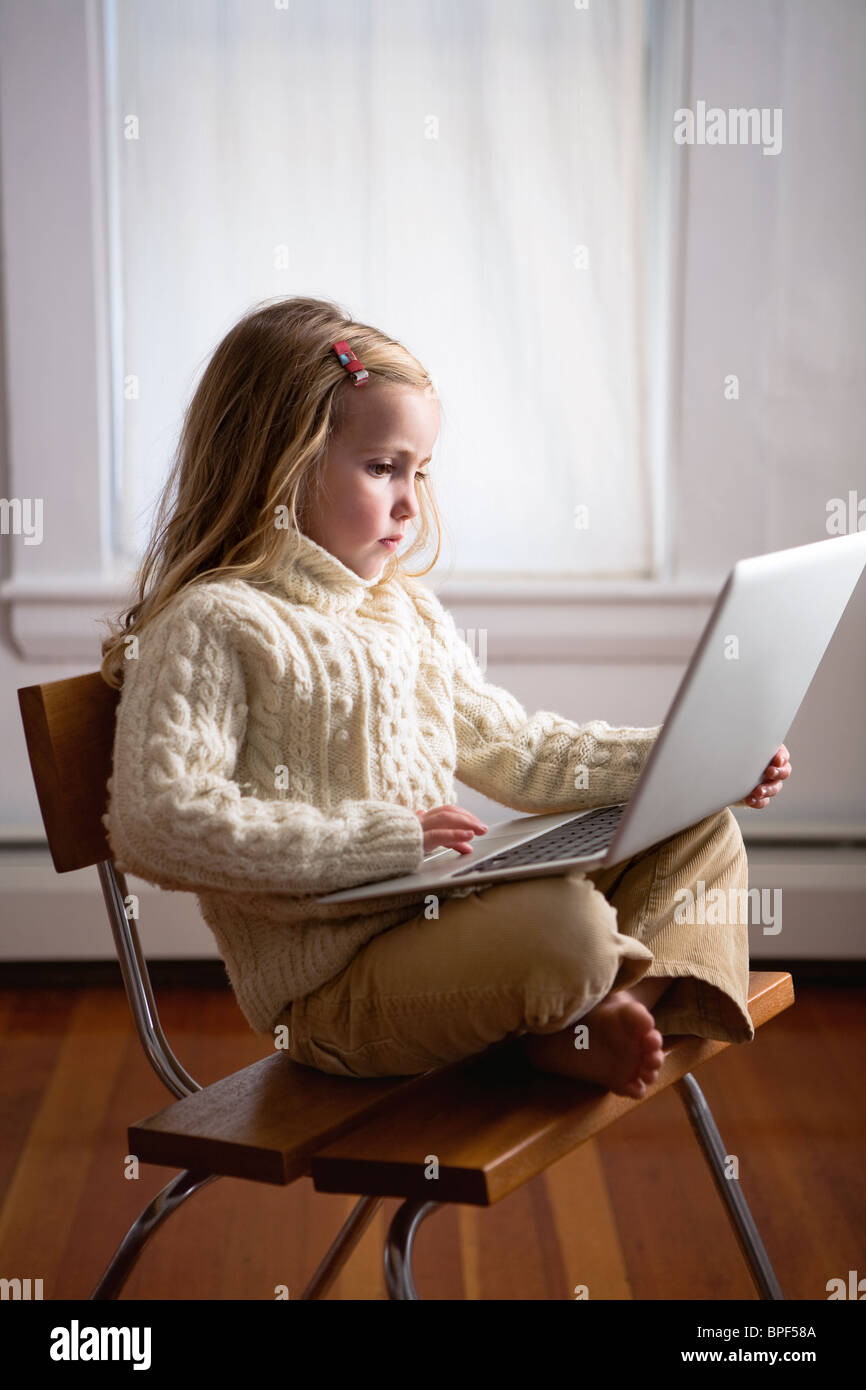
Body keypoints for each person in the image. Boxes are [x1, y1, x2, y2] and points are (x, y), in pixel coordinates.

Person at [100, 295, 792, 1099]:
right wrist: (381, 839)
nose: (409, 502)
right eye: (382, 467)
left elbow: (522, 754)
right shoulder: (215, 621)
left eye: (419, 472)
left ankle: (607, 1015)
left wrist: (693, 760)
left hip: (448, 926)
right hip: (336, 993)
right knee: (567, 931)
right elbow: (158, 822)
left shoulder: (402, 608)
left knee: (703, 832)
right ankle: (577, 1014)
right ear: (281, 462)